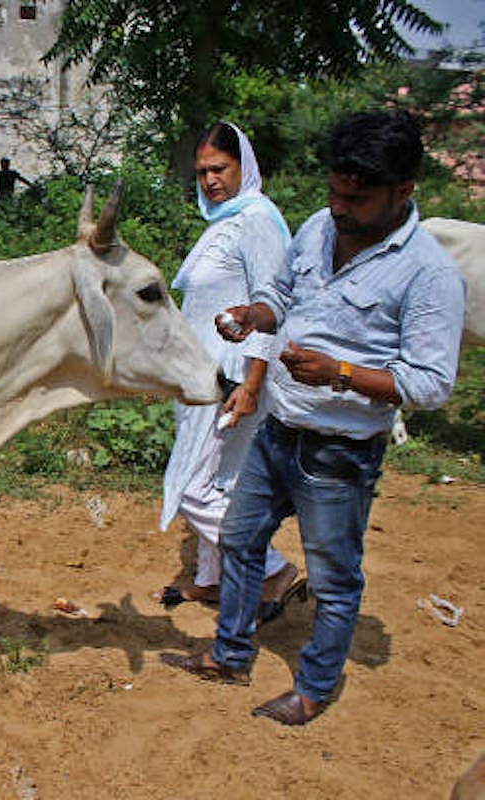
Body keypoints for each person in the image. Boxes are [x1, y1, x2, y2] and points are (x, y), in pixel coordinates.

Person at [161, 110, 465, 725]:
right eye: (334, 191)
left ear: (402, 192)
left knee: (333, 577)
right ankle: (230, 654)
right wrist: (253, 316)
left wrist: (340, 374)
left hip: (341, 450)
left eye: (357, 197)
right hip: (279, 430)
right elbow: (281, 295)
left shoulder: (429, 273)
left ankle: (314, 687)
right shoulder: (318, 228)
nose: (341, 207)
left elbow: (431, 384)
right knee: (241, 542)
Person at [154, 122, 301, 623]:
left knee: (193, 485)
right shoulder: (224, 220)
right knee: (219, 481)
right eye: (202, 172)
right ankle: (210, 577)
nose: (211, 180)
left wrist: (254, 382)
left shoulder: (257, 219)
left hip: (234, 379)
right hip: (201, 376)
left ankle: (273, 570)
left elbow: (270, 304)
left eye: (220, 168)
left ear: (244, 167)